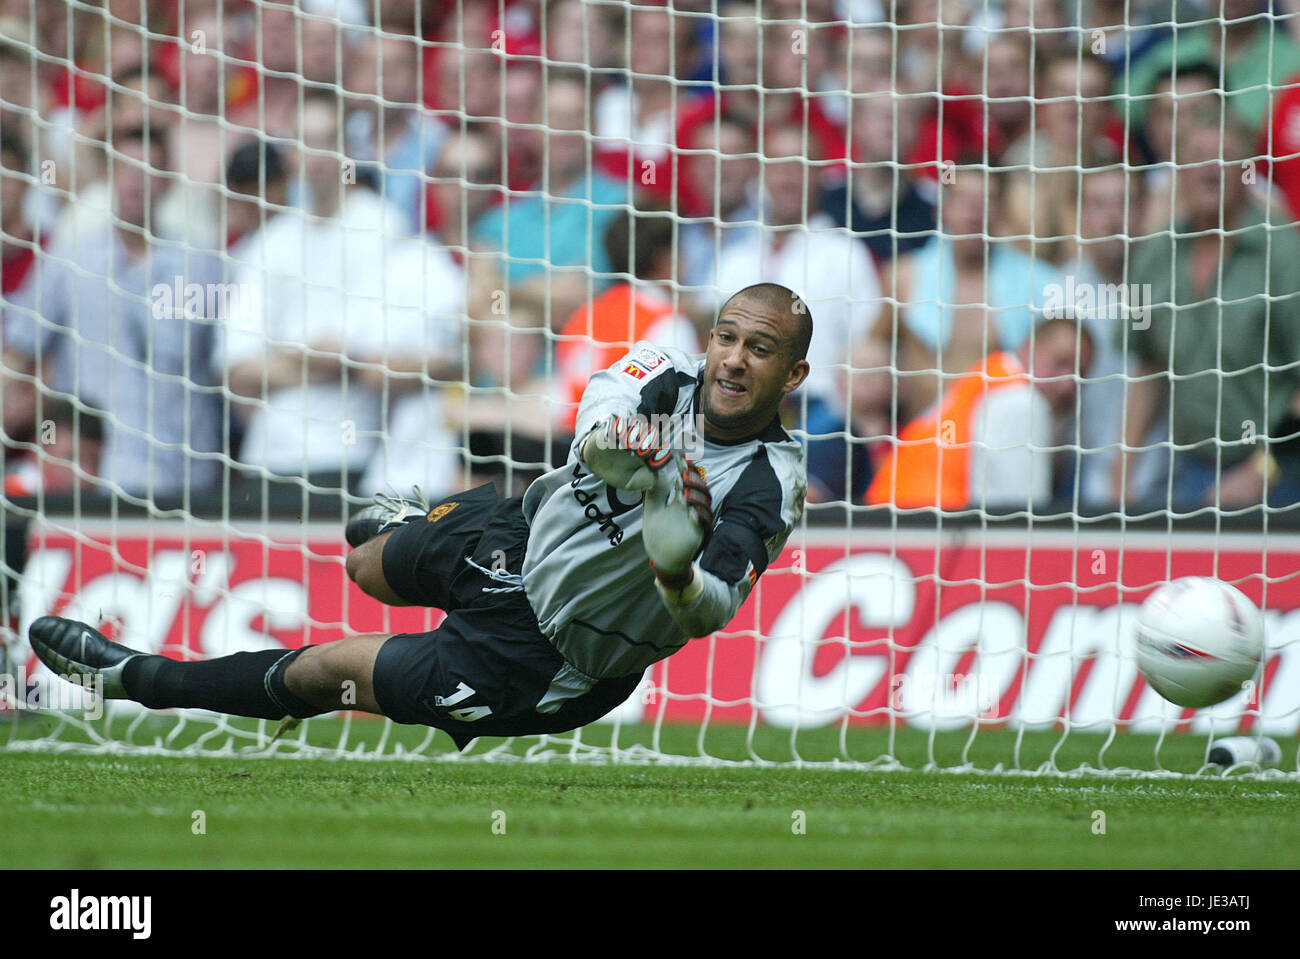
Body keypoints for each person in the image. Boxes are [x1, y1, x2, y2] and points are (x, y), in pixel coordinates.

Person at [27, 283, 811, 750]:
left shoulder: (770, 485)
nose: (735, 359)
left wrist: (674, 569)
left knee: (327, 669)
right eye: (728, 337)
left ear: (794, 372)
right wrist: (629, 459)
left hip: (549, 656)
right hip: (516, 536)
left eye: (762, 348)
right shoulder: (660, 370)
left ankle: (130, 676)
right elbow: (596, 425)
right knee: (363, 557)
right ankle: (405, 519)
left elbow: (712, 607)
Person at [866, 316, 1093, 511]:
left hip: (888, 513)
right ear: (1028, 346)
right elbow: (1022, 512)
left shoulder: (987, 375)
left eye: (1078, 374)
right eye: (1060, 362)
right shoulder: (1022, 402)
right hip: (926, 528)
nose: (1067, 384)